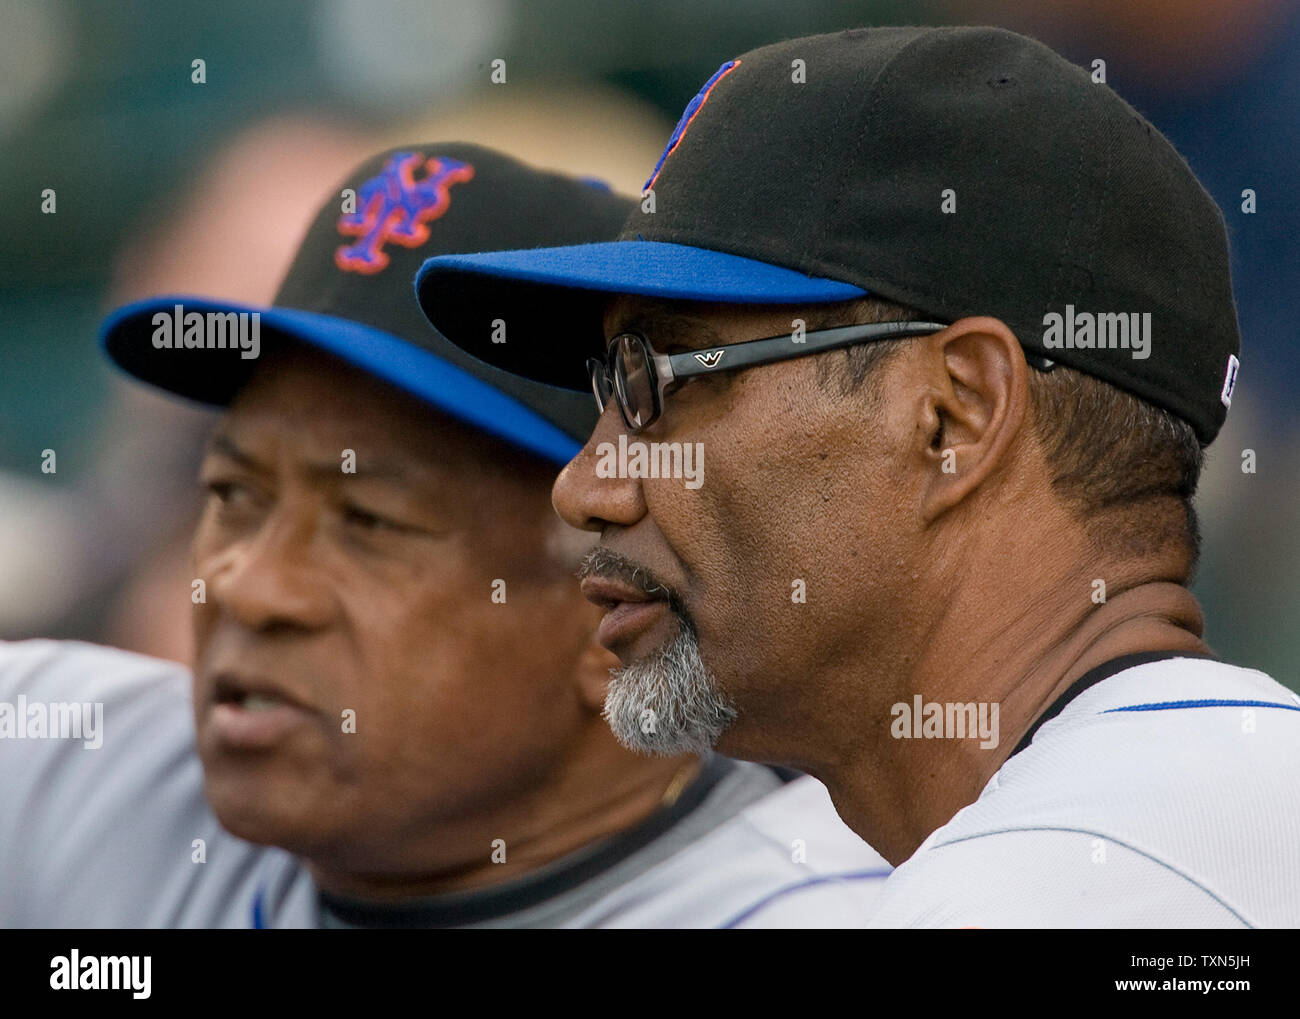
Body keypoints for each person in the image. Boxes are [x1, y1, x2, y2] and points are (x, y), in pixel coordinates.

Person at [413, 30, 1300, 927]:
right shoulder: (1225, 799)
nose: (584, 489)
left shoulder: (1018, 898)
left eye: (666, 377)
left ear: (954, 416)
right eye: (609, 386)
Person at [0, 143, 889, 928]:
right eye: (235, 492)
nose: (247, 586)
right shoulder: (74, 770)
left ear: (617, 601)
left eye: (367, 522)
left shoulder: (802, 910)